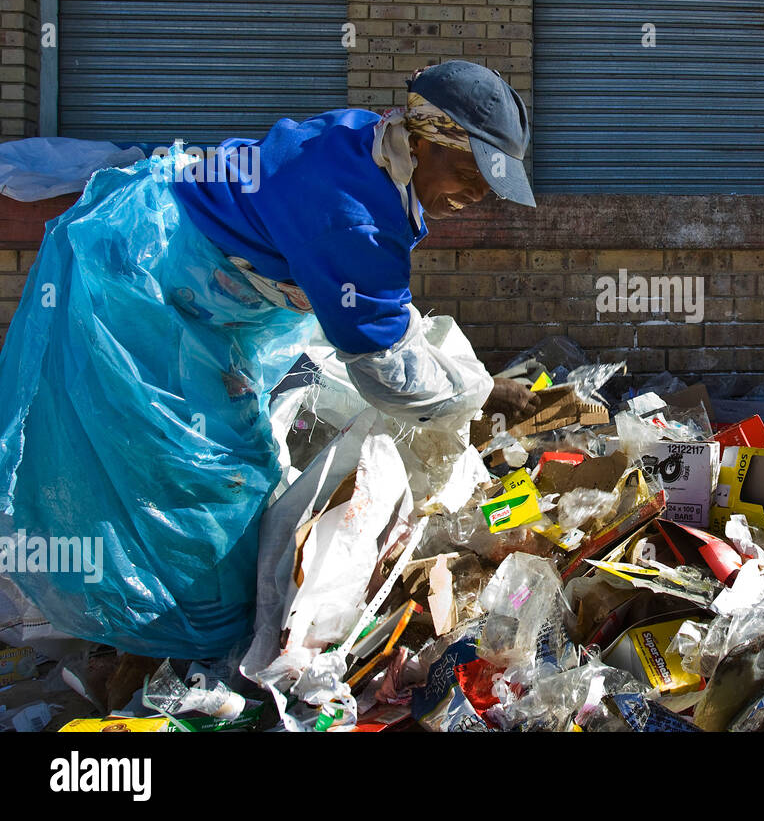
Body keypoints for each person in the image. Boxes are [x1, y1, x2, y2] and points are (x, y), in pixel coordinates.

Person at [0, 60, 539, 660]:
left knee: (220, 447)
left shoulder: (371, 139)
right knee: (200, 469)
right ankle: (189, 637)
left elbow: (376, 304)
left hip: (184, 267)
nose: (475, 196)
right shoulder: (353, 219)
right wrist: (477, 392)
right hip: (143, 288)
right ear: (420, 139)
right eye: (467, 173)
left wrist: (470, 380)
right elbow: (387, 373)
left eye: (488, 186)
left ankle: (172, 615)